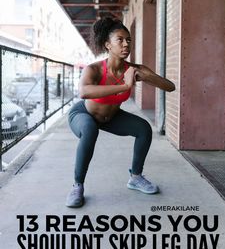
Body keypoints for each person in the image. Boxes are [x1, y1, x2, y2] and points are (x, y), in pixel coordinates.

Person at [66, 17, 175, 207]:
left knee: (143, 129)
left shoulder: (133, 70)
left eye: (129, 40)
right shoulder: (95, 70)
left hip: (111, 117)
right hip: (84, 114)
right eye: (120, 40)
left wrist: (148, 75)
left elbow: (170, 87)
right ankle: (77, 186)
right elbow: (84, 92)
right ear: (108, 45)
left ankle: (136, 177)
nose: (126, 44)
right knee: (90, 130)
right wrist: (124, 85)